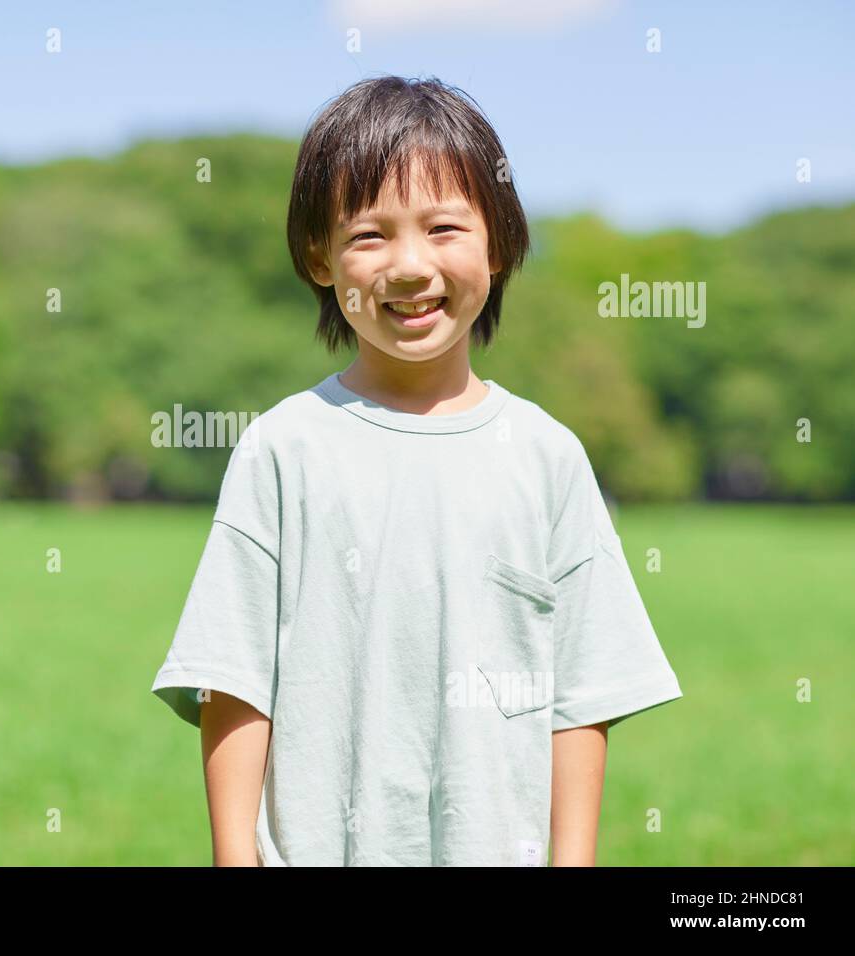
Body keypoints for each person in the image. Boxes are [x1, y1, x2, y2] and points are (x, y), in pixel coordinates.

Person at [150, 75, 683, 866]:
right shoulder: (283, 448)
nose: (408, 266)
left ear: (497, 244)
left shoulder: (546, 456)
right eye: (368, 235)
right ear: (318, 257)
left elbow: (583, 696)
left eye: (444, 228)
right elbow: (231, 677)